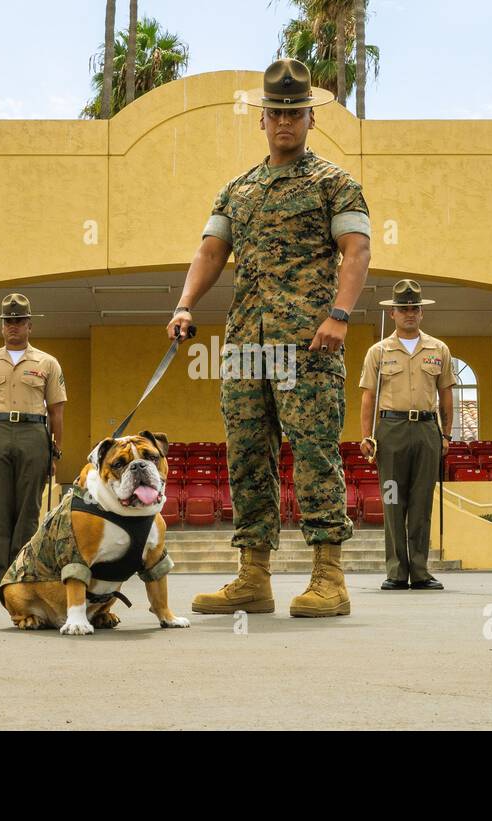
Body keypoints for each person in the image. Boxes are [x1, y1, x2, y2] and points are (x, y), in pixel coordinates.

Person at [168, 58, 371, 618]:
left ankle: (329, 577)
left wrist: (340, 315)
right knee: (247, 455)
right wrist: (186, 305)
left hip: (309, 343)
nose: (285, 120)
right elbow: (211, 252)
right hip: (245, 346)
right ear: (261, 119)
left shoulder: (334, 183)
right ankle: (253, 576)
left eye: (295, 112)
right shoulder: (238, 189)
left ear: (309, 118)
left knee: (312, 453)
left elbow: (357, 252)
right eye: (275, 111)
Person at [358, 279, 455, 591]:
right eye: (404, 308)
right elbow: (368, 398)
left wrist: (447, 435)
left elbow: (446, 395)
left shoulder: (439, 349)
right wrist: (367, 436)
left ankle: (421, 570)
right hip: (391, 431)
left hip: (427, 429)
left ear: (421, 313)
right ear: (394, 313)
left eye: (415, 308)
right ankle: (397, 571)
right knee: (392, 499)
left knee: (422, 501)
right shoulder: (378, 352)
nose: (410, 313)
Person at [0, 294, 65, 595]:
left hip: (33, 432)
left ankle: (23, 571)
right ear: (1, 326)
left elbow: (57, 411)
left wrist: (55, 450)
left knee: (28, 506)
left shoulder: (47, 362)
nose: (13, 326)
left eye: (19, 321)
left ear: (29, 325)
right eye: (8, 321)